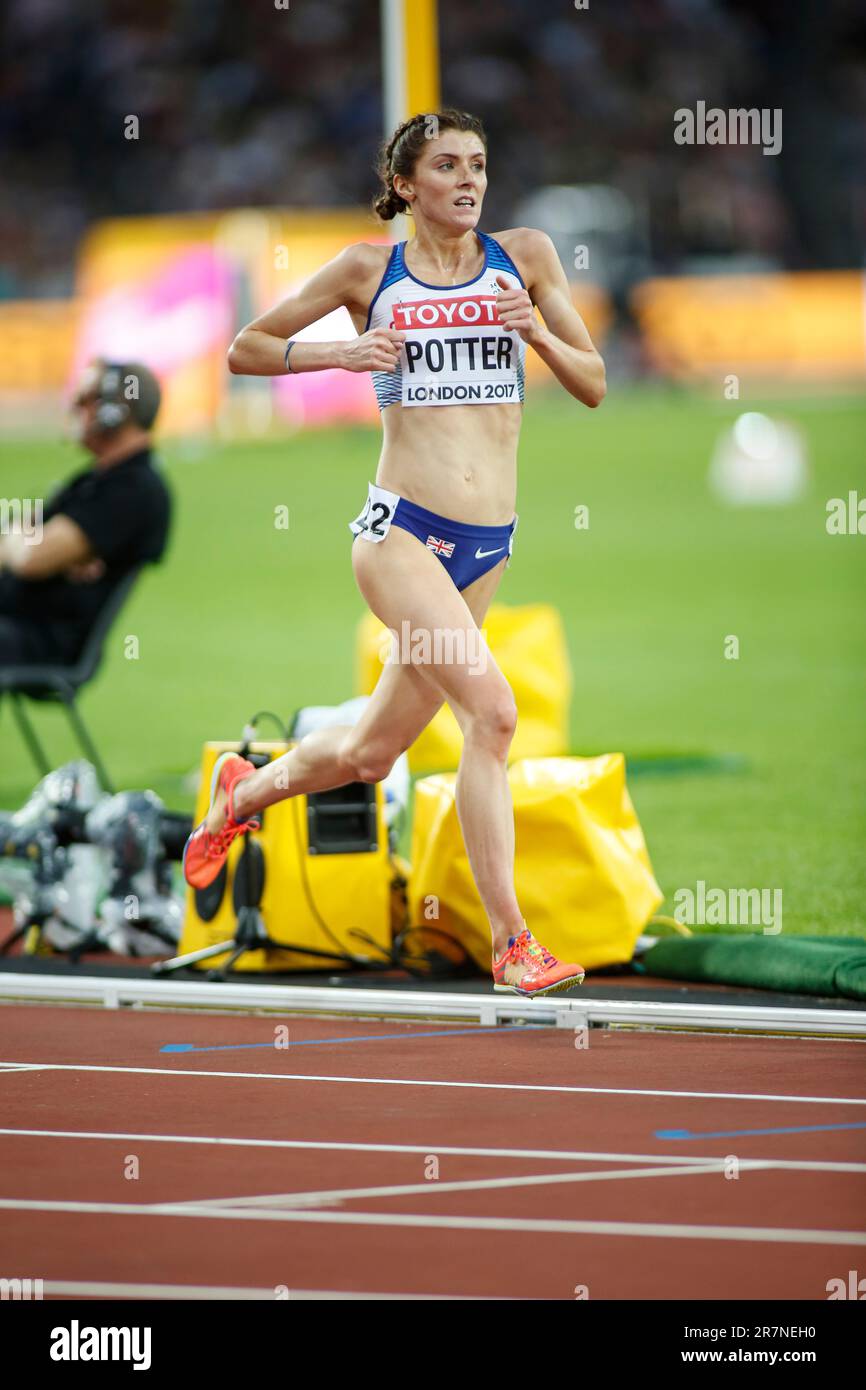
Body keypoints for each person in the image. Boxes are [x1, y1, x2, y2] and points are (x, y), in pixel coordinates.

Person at [183, 108, 606, 997]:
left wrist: (535, 331)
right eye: (448, 165)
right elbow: (243, 348)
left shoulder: (524, 257)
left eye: (480, 165)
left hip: (488, 546)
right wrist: (338, 353)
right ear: (407, 186)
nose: (469, 180)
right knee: (491, 714)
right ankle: (512, 943)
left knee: (372, 754)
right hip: (401, 537)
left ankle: (242, 792)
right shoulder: (367, 270)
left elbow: (595, 383)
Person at [0, 359, 171, 667]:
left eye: (83, 401)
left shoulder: (132, 490)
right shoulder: (98, 479)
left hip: (39, 641)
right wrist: (23, 538)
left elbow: (30, 559)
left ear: (113, 413)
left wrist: (20, 534)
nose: (75, 411)